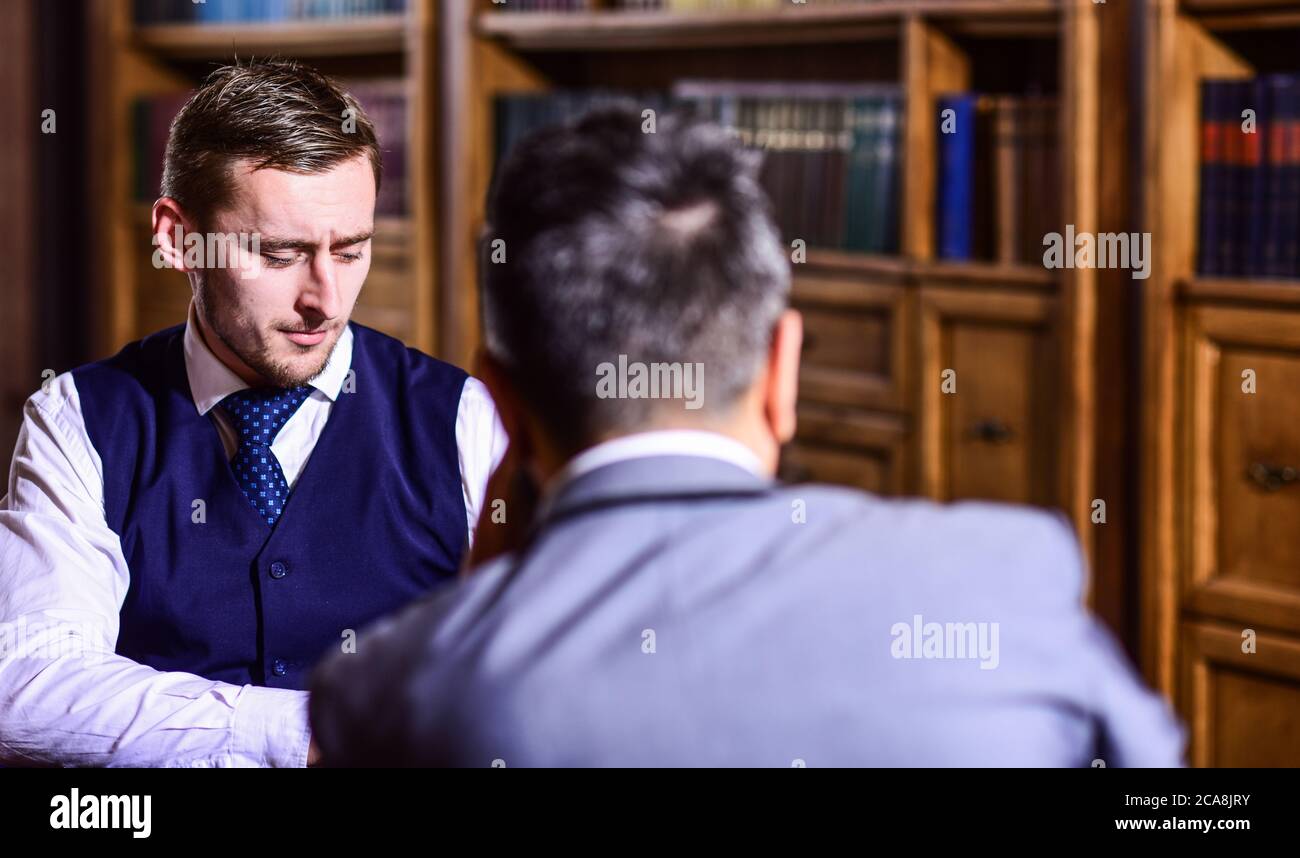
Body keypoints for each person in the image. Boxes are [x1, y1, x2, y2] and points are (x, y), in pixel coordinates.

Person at [308, 108, 1184, 767]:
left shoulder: (392, 692)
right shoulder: (1002, 579)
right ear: (784, 371)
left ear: (496, 400)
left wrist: (487, 592)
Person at [0, 59, 504, 767]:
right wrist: (311, 735)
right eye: (280, 252)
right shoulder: (80, 418)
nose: (324, 299)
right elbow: (30, 691)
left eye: (351, 249)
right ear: (178, 239)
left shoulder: (462, 418)